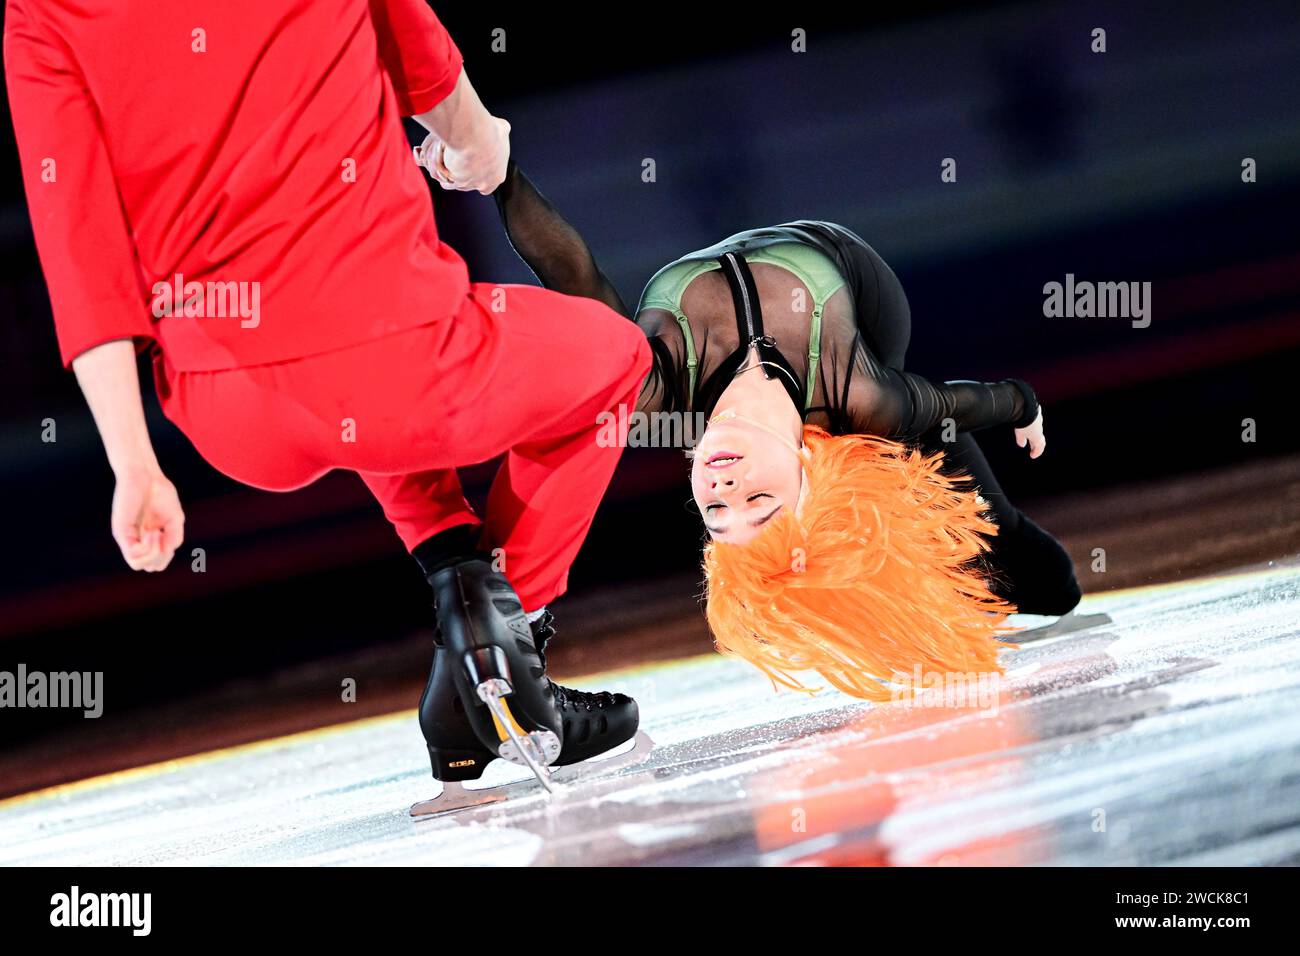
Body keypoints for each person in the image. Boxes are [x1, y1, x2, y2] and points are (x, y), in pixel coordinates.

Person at [5, 0, 648, 791]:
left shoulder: (39, 13)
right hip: (402, 363)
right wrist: (480, 146)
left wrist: (133, 464)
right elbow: (424, 63)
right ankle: (512, 638)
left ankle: (458, 613)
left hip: (228, 411)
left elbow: (79, 250)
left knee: (357, 387)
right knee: (616, 359)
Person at [485, 161, 1082, 700]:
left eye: (717, 514)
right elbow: (962, 401)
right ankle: (1018, 555)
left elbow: (571, 273)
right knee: (982, 511)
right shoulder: (857, 395)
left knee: (912, 428)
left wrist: (496, 171)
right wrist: (1022, 403)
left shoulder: (651, 400)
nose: (725, 491)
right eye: (758, 502)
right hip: (863, 287)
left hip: (824, 362)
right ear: (805, 470)